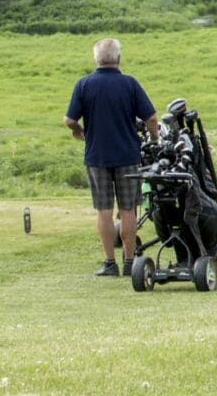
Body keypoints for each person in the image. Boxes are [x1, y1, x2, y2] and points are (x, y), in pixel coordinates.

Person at [64, 38, 158, 278]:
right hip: (127, 155)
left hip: (97, 156)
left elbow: (69, 119)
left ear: (96, 59)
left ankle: (109, 262)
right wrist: (154, 140)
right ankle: (129, 262)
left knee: (104, 211)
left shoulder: (83, 84)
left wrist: (77, 130)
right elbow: (151, 118)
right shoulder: (129, 84)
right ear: (118, 58)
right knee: (128, 210)